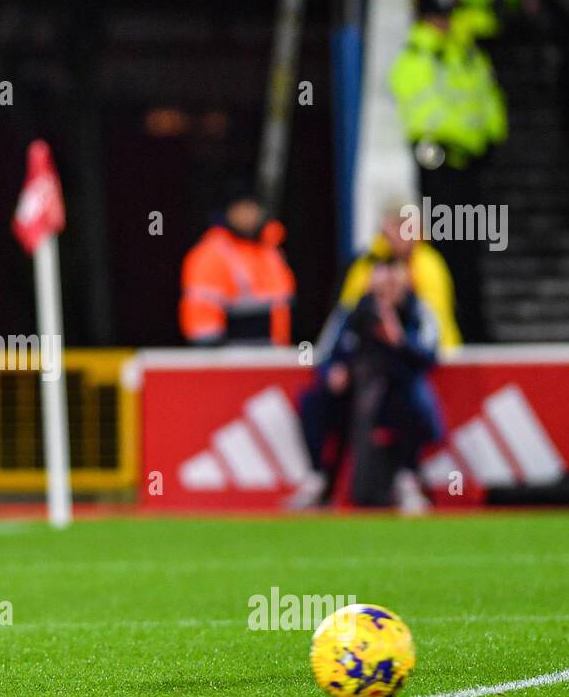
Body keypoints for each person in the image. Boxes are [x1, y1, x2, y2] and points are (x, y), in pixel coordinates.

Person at [391, 0, 507, 343]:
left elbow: (486, 100)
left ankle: (475, 328)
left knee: (475, 252)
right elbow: (425, 118)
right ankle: (452, 328)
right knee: (447, 254)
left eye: (447, 14)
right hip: (440, 170)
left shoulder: (466, 56)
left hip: (471, 167)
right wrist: (461, 138)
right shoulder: (416, 58)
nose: (443, 22)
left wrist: (489, 138)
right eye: (437, 15)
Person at [289, 259, 445, 515]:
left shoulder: (418, 311)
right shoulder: (352, 313)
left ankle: (407, 480)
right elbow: (324, 355)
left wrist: (400, 340)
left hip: (398, 389)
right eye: (382, 284)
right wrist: (335, 371)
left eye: (394, 283)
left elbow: (429, 357)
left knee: (416, 401)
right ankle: (318, 480)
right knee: (314, 401)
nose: (387, 291)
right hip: (356, 393)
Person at [338, 201, 462, 351]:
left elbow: (437, 319)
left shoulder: (428, 264)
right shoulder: (366, 265)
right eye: (395, 226)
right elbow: (346, 314)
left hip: (430, 355)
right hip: (376, 356)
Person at [178, 188, 296, 345]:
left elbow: (282, 303)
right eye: (242, 208)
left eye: (253, 208)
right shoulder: (212, 253)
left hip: (273, 355)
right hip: (231, 357)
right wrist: (213, 355)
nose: (248, 216)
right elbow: (201, 315)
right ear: (228, 212)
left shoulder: (271, 252)